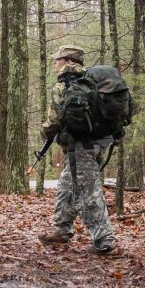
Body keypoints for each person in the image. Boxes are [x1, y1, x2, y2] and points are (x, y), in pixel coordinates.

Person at [38, 45, 120, 254]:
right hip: (100, 143)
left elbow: (53, 121)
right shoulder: (92, 82)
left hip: (80, 147)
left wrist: (45, 132)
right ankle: (61, 230)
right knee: (67, 186)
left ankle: (105, 243)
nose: (55, 64)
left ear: (66, 60)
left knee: (88, 193)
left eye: (57, 60)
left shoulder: (63, 86)